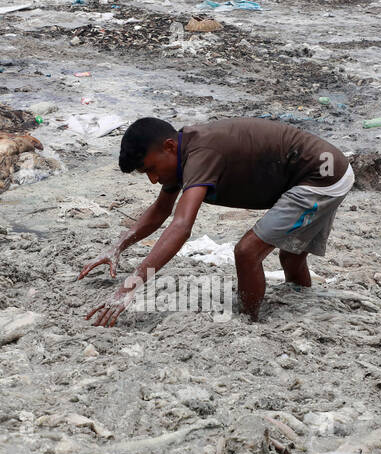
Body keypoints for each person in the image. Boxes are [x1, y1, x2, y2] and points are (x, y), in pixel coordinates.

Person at [78, 117, 352, 325]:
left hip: (321, 176)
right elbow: (160, 211)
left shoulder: (201, 153)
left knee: (247, 252)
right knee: (290, 257)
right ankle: (300, 304)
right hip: (323, 168)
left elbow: (181, 226)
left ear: (170, 146)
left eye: (151, 169)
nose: (152, 179)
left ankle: (249, 322)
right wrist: (117, 246)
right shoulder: (183, 154)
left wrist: (131, 285)